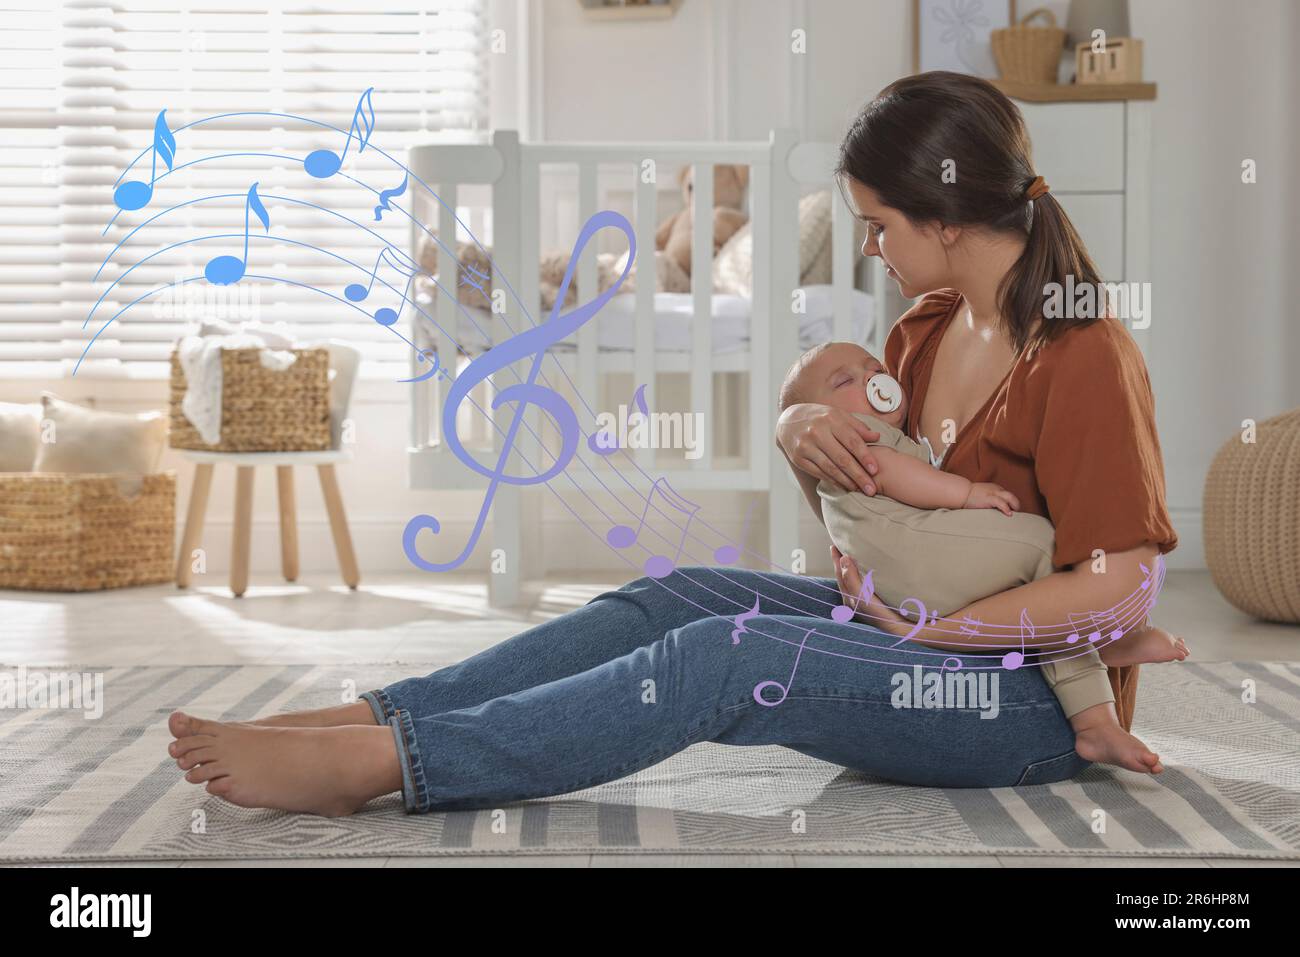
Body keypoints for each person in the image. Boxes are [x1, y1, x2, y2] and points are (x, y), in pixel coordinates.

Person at [166, 71, 1179, 817]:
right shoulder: (921, 329)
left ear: (945, 218)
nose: (871, 248)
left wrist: (915, 634)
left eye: (877, 225)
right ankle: (380, 716)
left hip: (1026, 706)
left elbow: (1115, 587)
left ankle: (392, 766)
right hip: (903, 626)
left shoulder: (1083, 356)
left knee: (723, 657)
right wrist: (797, 436)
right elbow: (878, 507)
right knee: (677, 596)